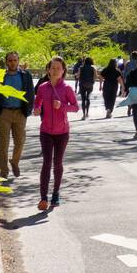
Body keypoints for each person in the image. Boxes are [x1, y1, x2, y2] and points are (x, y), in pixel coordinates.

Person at [32, 56, 78, 210]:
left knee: (57, 163)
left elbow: (76, 107)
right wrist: (37, 109)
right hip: (45, 131)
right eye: (53, 68)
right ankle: (43, 197)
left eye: (59, 68)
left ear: (63, 71)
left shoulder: (67, 88)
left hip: (62, 132)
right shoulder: (42, 87)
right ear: (48, 70)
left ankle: (56, 194)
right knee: (46, 162)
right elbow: (37, 101)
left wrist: (62, 106)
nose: (55, 70)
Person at [0, 51, 33, 178]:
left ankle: (14, 161)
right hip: (4, 113)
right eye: (10, 60)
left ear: (18, 61)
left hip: (20, 112)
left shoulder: (25, 75)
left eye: (14, 60)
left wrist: (28, 110)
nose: (12, 63)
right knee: (4, 144)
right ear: (6, 62)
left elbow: (30, 93)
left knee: (20, 142)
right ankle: (4, 172)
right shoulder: (0, 76)